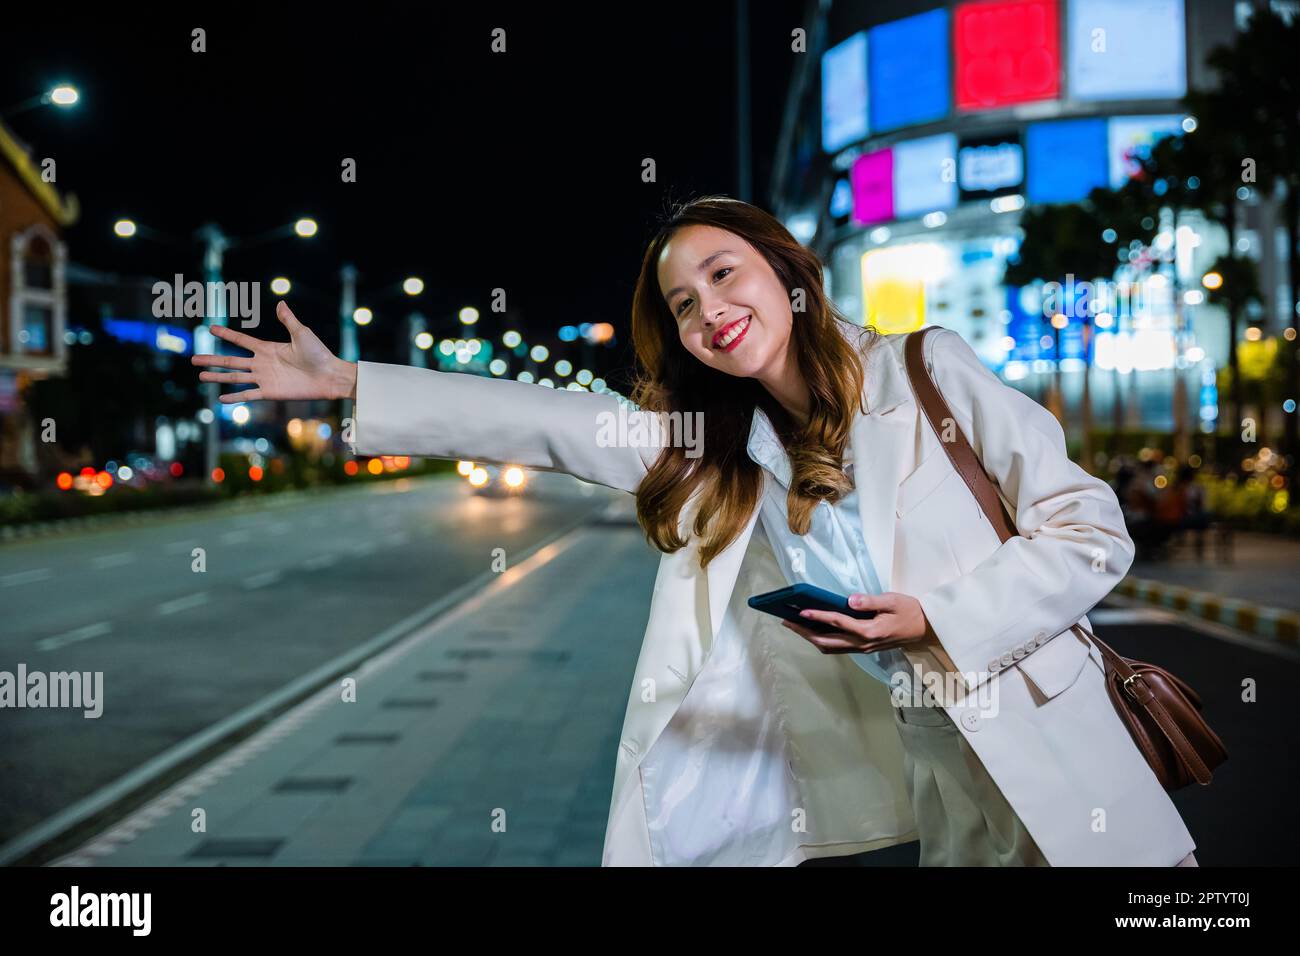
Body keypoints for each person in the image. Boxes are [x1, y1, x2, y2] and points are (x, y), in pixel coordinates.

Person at [192, 195, 1197, 867]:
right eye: (682, 302)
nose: (709, 309)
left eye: (725, 273)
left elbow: (1087, 532)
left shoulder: (924, 369)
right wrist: (347, 383)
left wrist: (934, 613)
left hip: (1060, 742)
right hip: (939, 772)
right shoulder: (711, 449)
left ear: (783, 268)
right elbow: (542, 421)